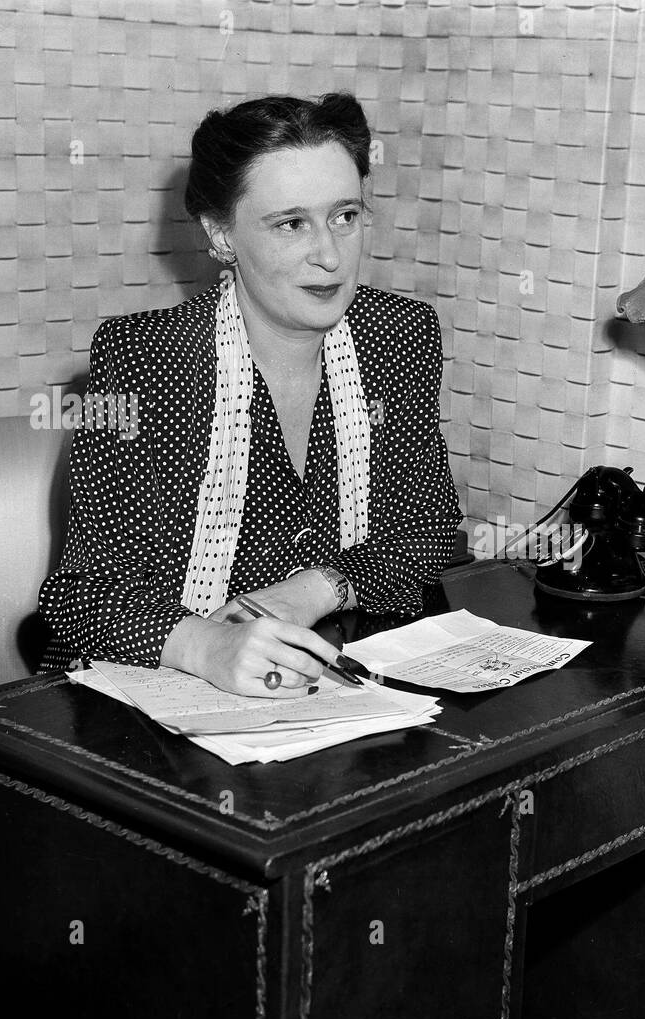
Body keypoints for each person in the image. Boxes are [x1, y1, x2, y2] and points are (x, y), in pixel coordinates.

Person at [39, 94, 461, 696]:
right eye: (291, 224)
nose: (329, 254)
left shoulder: (397, 336)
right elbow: (82, 595)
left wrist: (312, 590)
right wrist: (207, 645)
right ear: (221, 234)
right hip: (151, 694)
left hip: (324, 685)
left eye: (345, 215)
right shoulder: (143, 360)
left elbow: (431, 529)